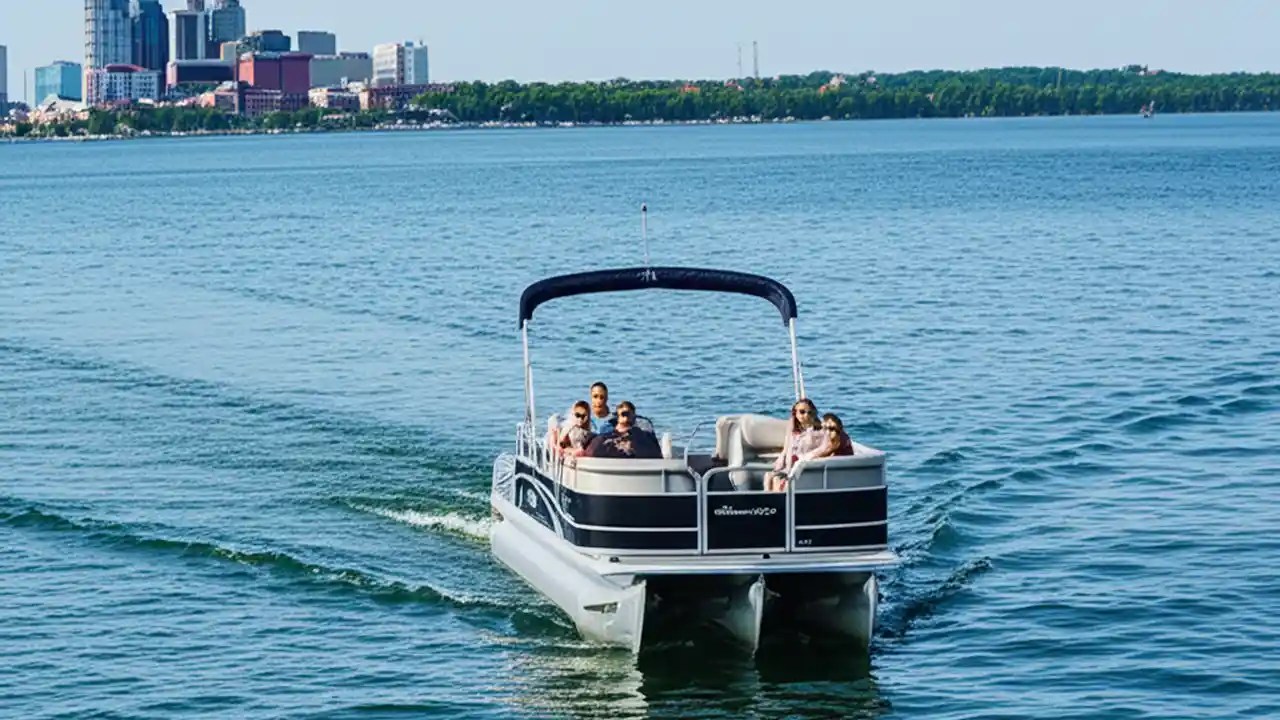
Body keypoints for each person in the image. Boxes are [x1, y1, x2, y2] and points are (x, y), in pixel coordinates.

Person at [764, 399, 824, 492]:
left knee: (777, 480)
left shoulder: (817, 431)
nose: (806, 415)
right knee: (768, 476)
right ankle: (768, 502)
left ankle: (779, 502)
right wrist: (781, 458)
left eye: (809, 413)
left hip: (804, 466)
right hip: (791, 463)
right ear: (795, 413)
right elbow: (787, 445)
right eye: (802, 412)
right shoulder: (792, 427)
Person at [584, 401, 663, 459]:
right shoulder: (604, 436)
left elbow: (654, 453)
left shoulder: (642, 435)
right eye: (623, 414)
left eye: (627, 414)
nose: (625, 417)